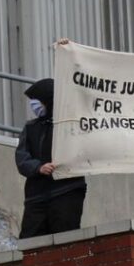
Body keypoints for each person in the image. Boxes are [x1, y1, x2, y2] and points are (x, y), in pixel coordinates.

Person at [15, 77, 87, 238]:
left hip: (66, 191)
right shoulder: (31, 127)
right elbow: (22, 158)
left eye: (37, 100)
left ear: (48, 100)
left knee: (65, 241)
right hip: (36, 197)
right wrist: (38, 168)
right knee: (30, 242)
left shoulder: (70, 125)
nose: (33, 105)